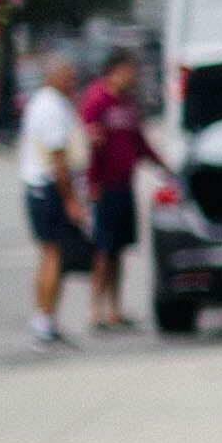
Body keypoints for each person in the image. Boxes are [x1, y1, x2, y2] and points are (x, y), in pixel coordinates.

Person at [75, 48, 152, 332]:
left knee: (119, 250)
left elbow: (140, 142)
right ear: (116, 70)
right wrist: (91, 183)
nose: (135, 76)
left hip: (124, 185)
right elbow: (87, 144)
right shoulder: (97, 100)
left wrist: (163, 165)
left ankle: (115, 309)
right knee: (103, 250)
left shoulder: (128, 103)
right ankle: (94, 309)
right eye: (131, 71)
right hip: (104, 187)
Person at [16, 52, 84, 348]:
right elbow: (58, 160)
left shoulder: (51, 103)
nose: (72, 79)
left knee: (51, 255)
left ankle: (47, 318)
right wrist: (71, 200)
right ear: (52, 75)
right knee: (53, 255)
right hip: (47, 189)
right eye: (67, 74)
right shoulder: (51, 107)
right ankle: (43, 320)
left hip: (41, 188)